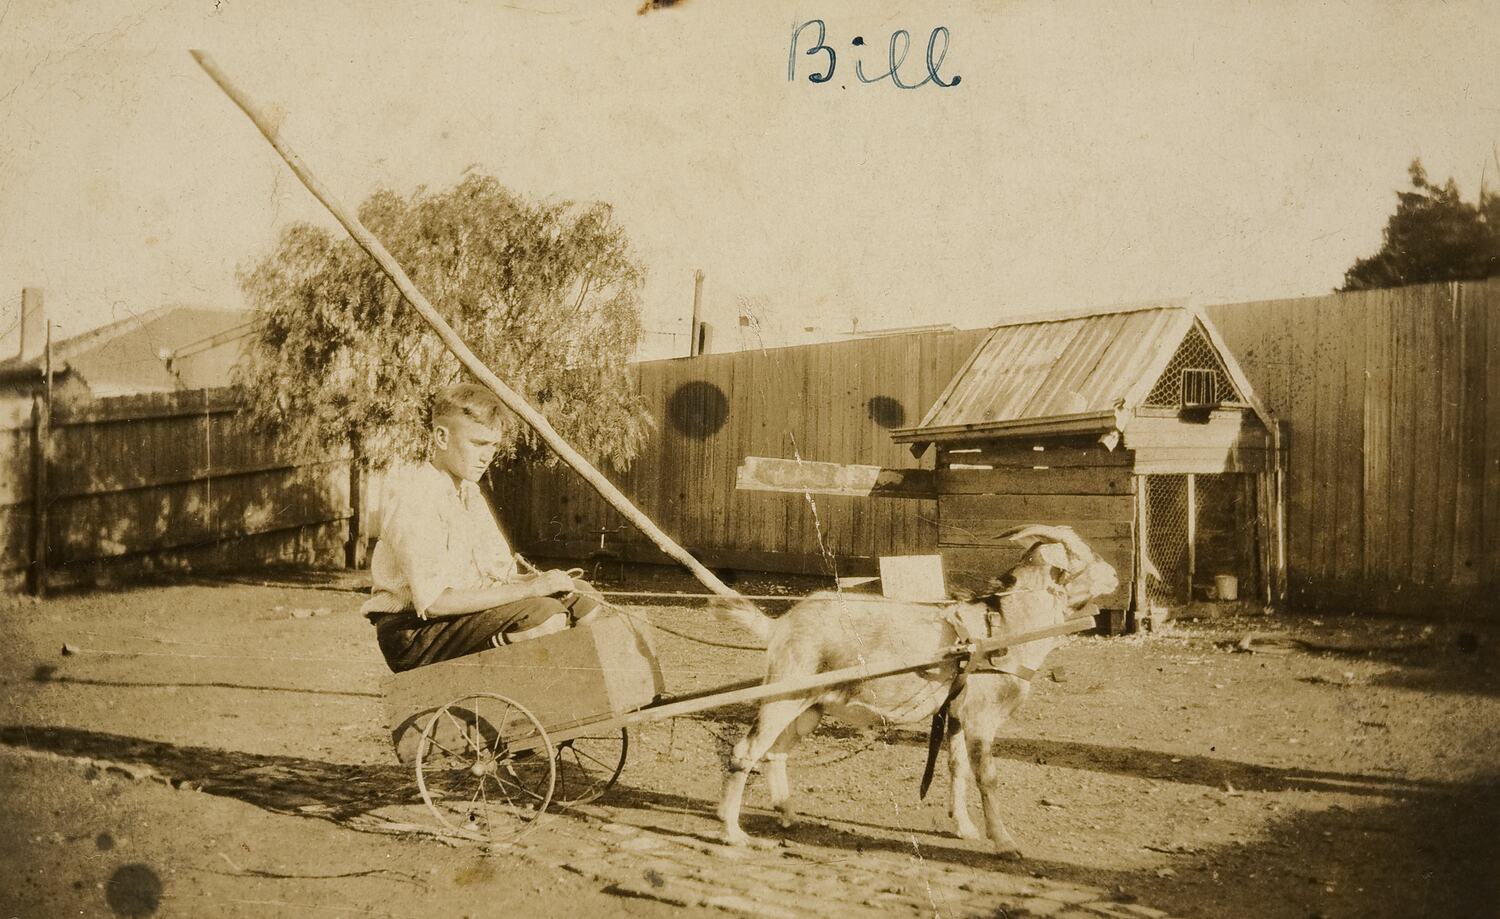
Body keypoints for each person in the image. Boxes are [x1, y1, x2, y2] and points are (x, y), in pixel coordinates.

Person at [363, 381, 605, 672]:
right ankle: (520, 686)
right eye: (477, 444)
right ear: (442, 437)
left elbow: (498, 574)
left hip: (458, 620)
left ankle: (572, 687)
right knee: (544, 616)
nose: (487, 456)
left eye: (493, 446)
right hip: (414, 633)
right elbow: (435, 603)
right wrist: (532, 591)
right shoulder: (416, 498)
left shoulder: (469, 493)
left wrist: (542, 582)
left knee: (583, 598)